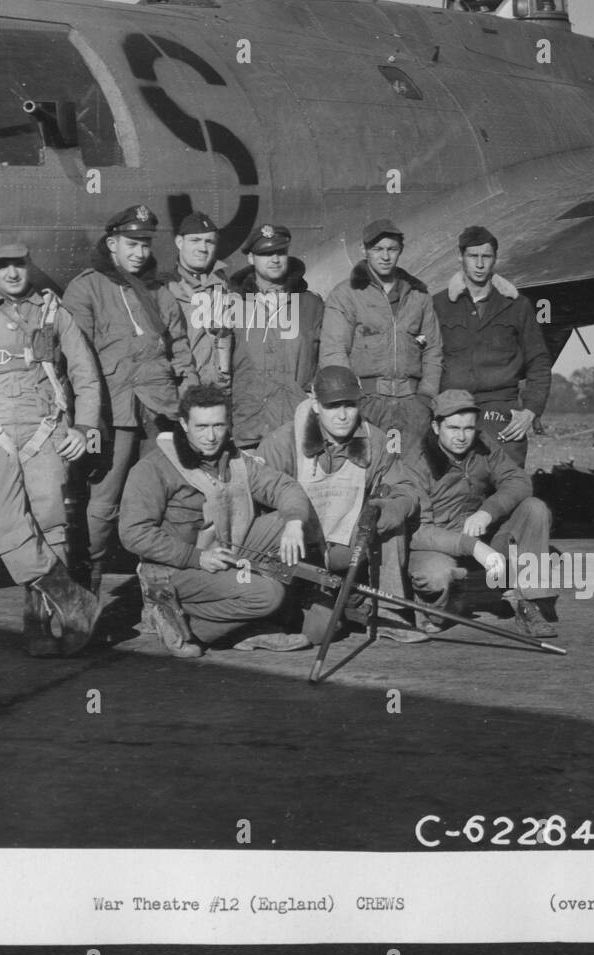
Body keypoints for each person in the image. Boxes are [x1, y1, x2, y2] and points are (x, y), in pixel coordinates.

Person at [0, 233, 103, 657]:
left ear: (28, 265)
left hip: (47, 431)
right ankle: (72, 597)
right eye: (2, 265)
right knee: (5, 528)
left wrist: (83, 428)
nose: (12, 272)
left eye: (19, 264)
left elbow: (85, 373)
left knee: (50, 525)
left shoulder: (52, 311)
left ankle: (41, 621)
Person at [118, 385, 313, 658]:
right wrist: (196, 557)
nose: (210, 437)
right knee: (268, 595)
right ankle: (171, 615)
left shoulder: (233, 459)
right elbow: (133, 533)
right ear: (184, 424)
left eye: (219, 426)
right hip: (176, 571)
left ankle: (226, 621)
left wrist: (294, 523)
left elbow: (285, 487)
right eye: (201, 426)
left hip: (224, 556)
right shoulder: (154, 468)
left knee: (288, 521)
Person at [62, 205, 198, 591]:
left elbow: (182, 354)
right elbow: (75, 357)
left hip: (161, 411)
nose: (140, 252)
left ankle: (164, 589)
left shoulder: (160, 292)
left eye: (145, 244)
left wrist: (186, 408)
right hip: (113, 412)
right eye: (131, 244)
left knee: (166, 499)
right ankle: (85, 584)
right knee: (103, 503)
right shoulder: (85, 288)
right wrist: (86, 417)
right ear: (112, 244)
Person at [255, 366, 426, 644]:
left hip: (351, 549)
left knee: (393, 523)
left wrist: (390, 508)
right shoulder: (282, 441)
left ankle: (391, 615)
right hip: (300, 555)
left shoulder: (376, 439)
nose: (343, 415)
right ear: (315, 404)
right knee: (320, 632)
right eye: (333, 406)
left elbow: (404, 488)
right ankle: (320, 603)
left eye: (350, 404)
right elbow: (258, 498)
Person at [407, 390, 557, 639]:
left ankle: (528, 602)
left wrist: (488, 512)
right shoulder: (416, 462)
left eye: (468, 428)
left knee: (534, 508)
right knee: (435, 582)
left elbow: (518, 481)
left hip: (477, 532)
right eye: (453, 428)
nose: (462, 437)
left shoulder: (483, 443)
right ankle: (442, 600)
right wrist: (472, 547)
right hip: (438, 542)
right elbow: (418, 531)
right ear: (436, 426)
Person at [319, 219, 442, 463]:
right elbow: (334, 353)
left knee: (414, 473)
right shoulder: (346, 295)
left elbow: (433, 351)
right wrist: (352, 402)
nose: (385, 256)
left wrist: (426, 398)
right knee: (368, 469)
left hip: (413, 406)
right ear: (364, 251)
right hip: (367, 404)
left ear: (400, 251)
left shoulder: (418, 296)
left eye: (392, 249)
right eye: (378, 249)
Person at [432, 224, 552, 468]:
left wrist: (530, 411)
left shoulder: (517, 306)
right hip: (452, 408)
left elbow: (539, 361)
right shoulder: (439, 305)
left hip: (500, 411)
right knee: (450, 488)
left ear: (495, 259)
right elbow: (425, 360)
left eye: (486, 257)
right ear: (460, 258)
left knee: (508, 484)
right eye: (472, 256)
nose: (479, 264)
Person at [228, 223, 324, 448]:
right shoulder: (233, 303)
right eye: (265, 254)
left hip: (295, 426)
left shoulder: (311, 304)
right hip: (247, 426)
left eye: (280, 252)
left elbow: (325, 360)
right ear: (251, 258)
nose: (275, 259)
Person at [163, 210, 234, 390]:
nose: (203, 248)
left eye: (209, 242)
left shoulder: (224, 286)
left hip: (219, 390)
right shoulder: (164, 287)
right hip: (182, 390)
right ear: (180, 242)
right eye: (195, 240)